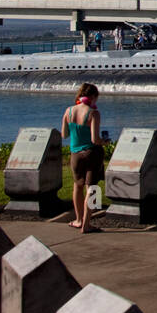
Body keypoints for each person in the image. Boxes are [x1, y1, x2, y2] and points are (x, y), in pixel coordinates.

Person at [63, 82, 107, 234]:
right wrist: (105, 141)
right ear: (93, 97)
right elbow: (95, 140)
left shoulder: (68, 111)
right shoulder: (93, 113)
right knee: (92, 187)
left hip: (75, 154)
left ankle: (78, 220)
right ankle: (87, 225)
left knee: (77, 186)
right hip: (91, 153)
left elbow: (64, 134)